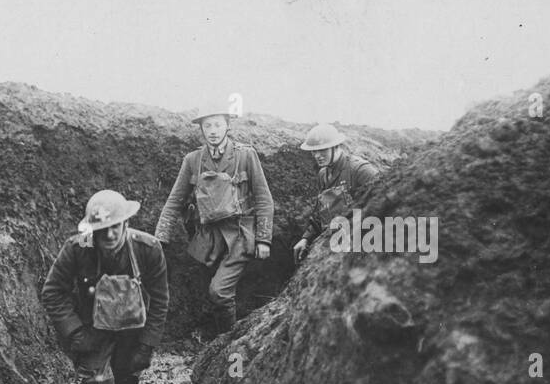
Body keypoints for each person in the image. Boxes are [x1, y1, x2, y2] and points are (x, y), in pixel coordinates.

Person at [42, 190, 169, 384]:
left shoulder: (148, 249)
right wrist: (75, 331)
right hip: (92, 331)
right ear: (92, 230)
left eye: (116, 227)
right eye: (103, 229)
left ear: (127, 223)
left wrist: (147, 345)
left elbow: (161, 299)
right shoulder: (77, 249)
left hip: (132, 331)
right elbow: (53, 292)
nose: (110, 235)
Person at [153, 103, 275, 335]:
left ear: (227, 126)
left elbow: (264, 199)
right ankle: (219, 332)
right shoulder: (193, 160)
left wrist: (263, 239)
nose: (213, 130)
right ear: (201, 130)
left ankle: (227, 342)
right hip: (209, 238)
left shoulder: (245, 155)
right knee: (206, 287)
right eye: (207, 125)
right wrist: (161, 236)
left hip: (240, 234)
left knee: (219, 292)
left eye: (218, 124)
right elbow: (175, 200)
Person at [292, 123, 380, 262]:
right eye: (314, 151)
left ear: (336, 147)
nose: (317, 156)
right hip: (334, 242)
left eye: (322, 150)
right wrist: (306, 238)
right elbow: (321, 213)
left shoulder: (360, 170)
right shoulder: (323, 174)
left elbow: (382, 205)